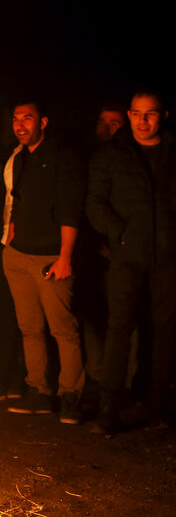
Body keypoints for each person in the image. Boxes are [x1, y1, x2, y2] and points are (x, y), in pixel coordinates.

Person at [86, 91, 176, 435]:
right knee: (119, 327)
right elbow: (95, 204)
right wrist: (119, 233)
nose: (142, 121)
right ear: (129, 114)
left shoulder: (172, 153)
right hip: (127, 255)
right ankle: (110, 406)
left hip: (168, 255)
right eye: (137, 114)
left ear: (163, 115)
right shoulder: (111, 154)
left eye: (150, 114)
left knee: (165, 329)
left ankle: (156, 403)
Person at [1, 102, 85, 423]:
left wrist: (65, 257)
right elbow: (16, 201)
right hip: (19, 254)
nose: (20, 125)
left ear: (43, 122)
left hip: (51, 256)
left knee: (63, 329)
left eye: (28, 119)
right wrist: (10, 239)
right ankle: (39, 389)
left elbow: (70, 208)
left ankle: (71, 393)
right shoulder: (20, 157)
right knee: (30, 328)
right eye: (16, 119)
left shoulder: (64, 156)